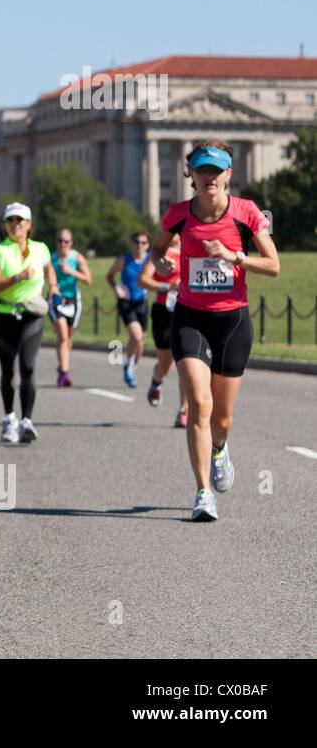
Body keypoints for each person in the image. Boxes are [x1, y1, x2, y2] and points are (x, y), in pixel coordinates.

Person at [151, 141, 278, 521]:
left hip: (233, 321)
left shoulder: (246, 213)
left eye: (216, 170)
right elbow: (159, 250)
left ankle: (220, 448)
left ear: (228, 175)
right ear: (190, 174)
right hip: (190, 317)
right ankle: (203, 493)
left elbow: (273, 265)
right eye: (202, 169)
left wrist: (234, 256)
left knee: (221, 418)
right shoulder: (177, 214)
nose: (209, 176)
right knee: (199, 405)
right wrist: (161, 265)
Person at [0, 202, 59, 445]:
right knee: (8, 370)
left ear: (28, 225)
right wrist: (17, 277)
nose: (15, 225)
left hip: (32, 314)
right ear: (5, 225)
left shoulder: (41, 249)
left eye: (20, 220)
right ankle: (9, 419)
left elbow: (49, 269)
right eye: (10, 221)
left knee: (28, 367)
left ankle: (27, 421)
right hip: (3, 314)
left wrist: (54, 287)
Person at [137, 232, 189, 427]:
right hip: (163, 312)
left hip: (186, 311)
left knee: (185, 363)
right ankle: (157, 380)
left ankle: (184, 410)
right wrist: (168, 286)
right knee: (165, 365)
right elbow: (142, 280)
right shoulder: (161, 254)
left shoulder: (191, 252)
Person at [106, 232, 151, 387]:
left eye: (143, 243)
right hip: (126, 302)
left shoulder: (149, 259)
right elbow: (109, 276)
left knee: (141, 342)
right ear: (132, 243)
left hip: (142, 303)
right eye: (137, 242)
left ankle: (132, 367)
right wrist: (116, 288)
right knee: (136, 336)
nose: (140, 245)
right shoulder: (124, 259)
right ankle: (129, 364)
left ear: (148, 245)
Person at [49, 228, 92, 386]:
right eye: (60, 241)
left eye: (66, 241)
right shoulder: (51, 258)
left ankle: (62, 366)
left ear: (71, 243)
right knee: (62, 334)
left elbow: (88, 279)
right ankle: (65, 374)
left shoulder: (77, 257)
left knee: (68, 338)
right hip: (57, 300)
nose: (62, 244)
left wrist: (71, 272)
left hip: (74, 301)